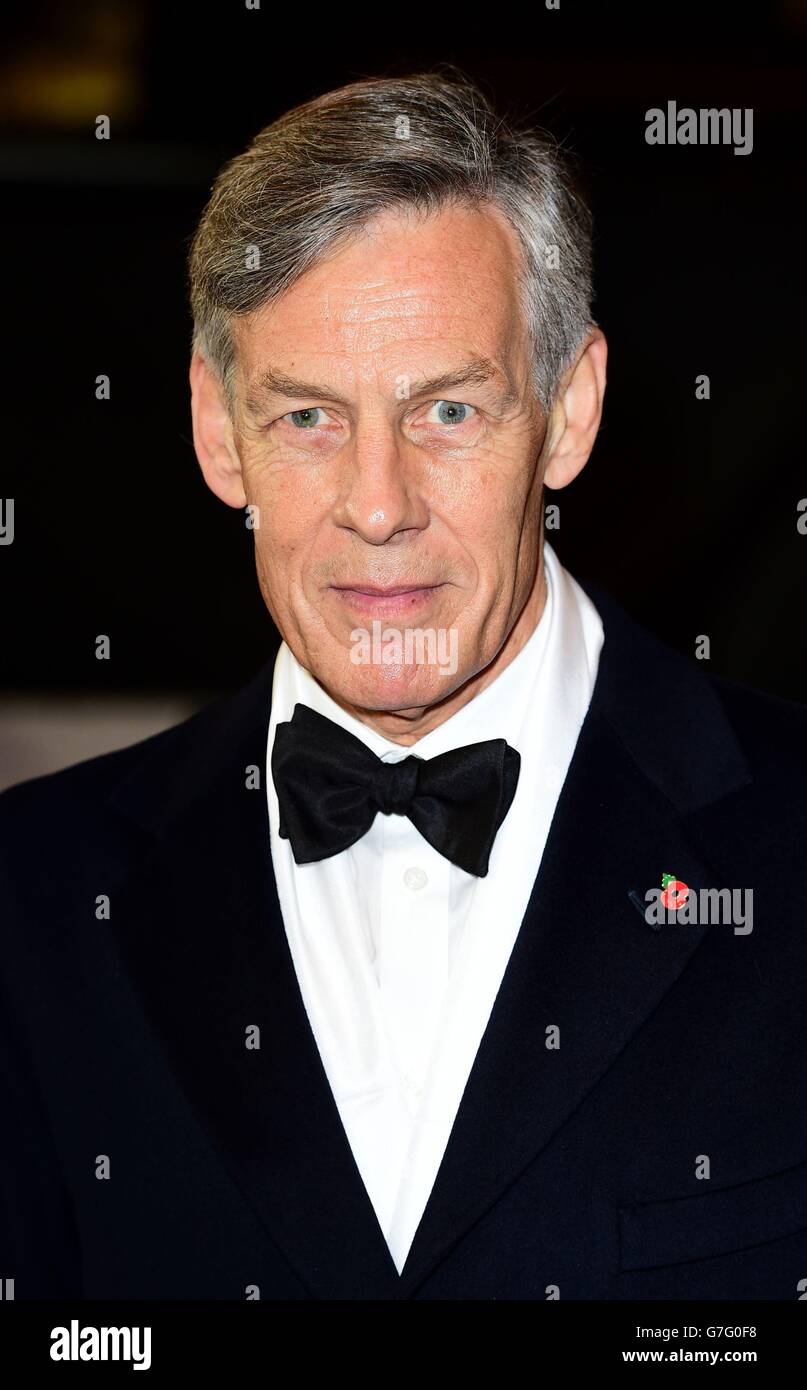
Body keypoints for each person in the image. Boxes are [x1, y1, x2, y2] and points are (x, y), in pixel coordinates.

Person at [2, 71, 806, 1301]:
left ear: (570, 410)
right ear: (220, 431)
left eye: (446, 408)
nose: (378, 505)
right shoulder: (34, 900)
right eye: (311, 417)